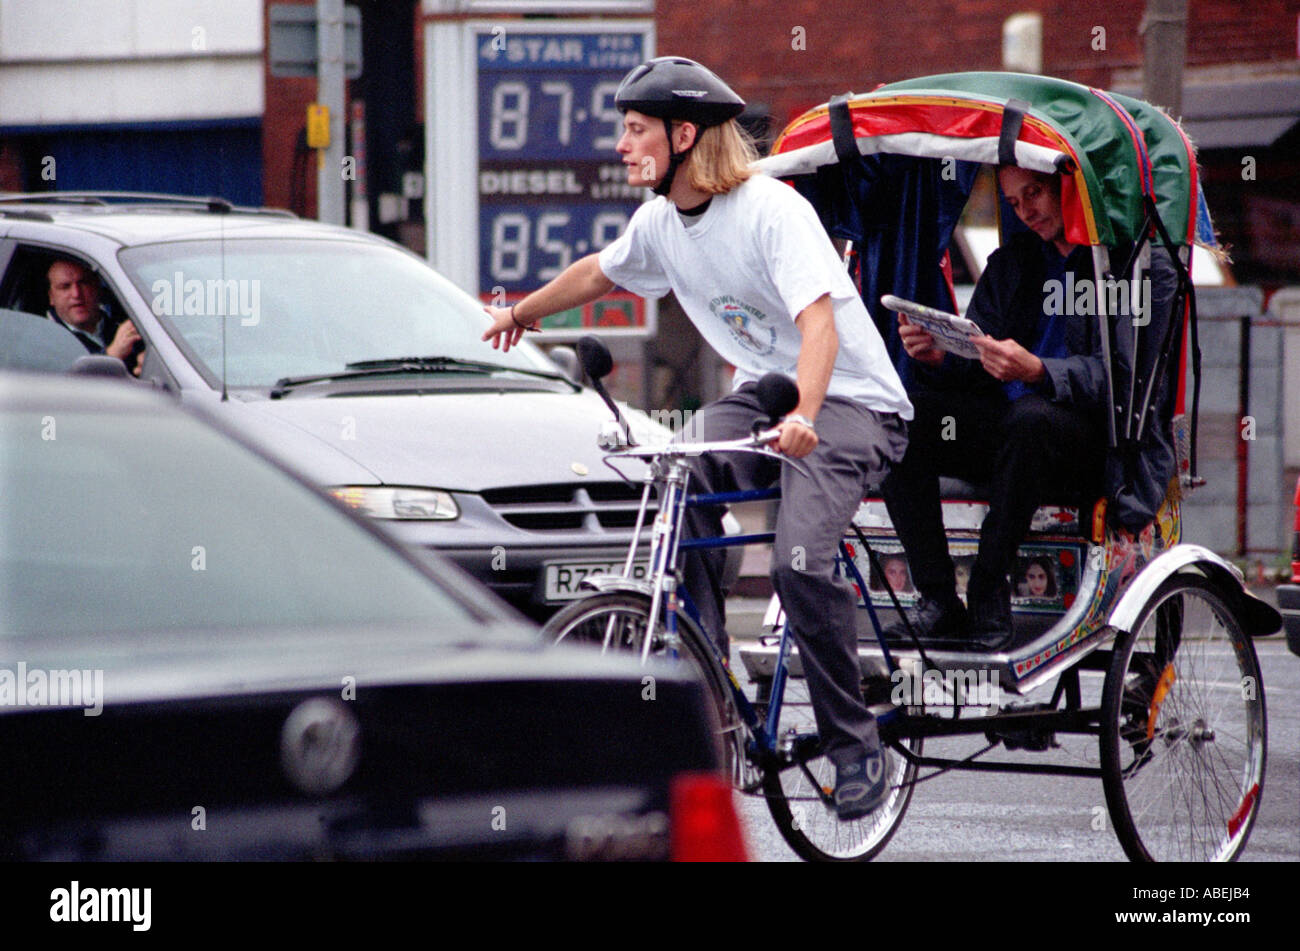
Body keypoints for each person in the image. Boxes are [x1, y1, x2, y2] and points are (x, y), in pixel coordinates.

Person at [482, 56, 913, 820]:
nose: (621, 144)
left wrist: (806, 415)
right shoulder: (659, 222)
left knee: (799, 561)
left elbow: (819, 324)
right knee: (677, 478)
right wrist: (524, 311)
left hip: (849, 401)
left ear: (684, 136)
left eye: (635, 129)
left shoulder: (770, 211)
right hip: (765, 393)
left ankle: (856, 746)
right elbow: (598, 272)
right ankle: (718, 688)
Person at [880, 165, 1177, 651]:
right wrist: (940, 355)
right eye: (1014, 203)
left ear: (1072, 185)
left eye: (1035, 193)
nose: (1026, 211)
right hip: (1012, 433)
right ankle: (937, 598)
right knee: (901, 415)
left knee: (1031, 418)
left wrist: (1040, 370)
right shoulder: (1014, 260)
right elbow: (980, 359)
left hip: (1099, 442)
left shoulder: (1140, 267)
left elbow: (1131, 381)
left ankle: (987, 586)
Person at [46, 258, 142, 374]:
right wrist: (111, 356)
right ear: (51, 297)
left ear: (97, 287)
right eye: (65, 287)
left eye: (83, 283)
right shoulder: (45, 342)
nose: (76, 294)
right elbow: (66, 387)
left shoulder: (126, 321)